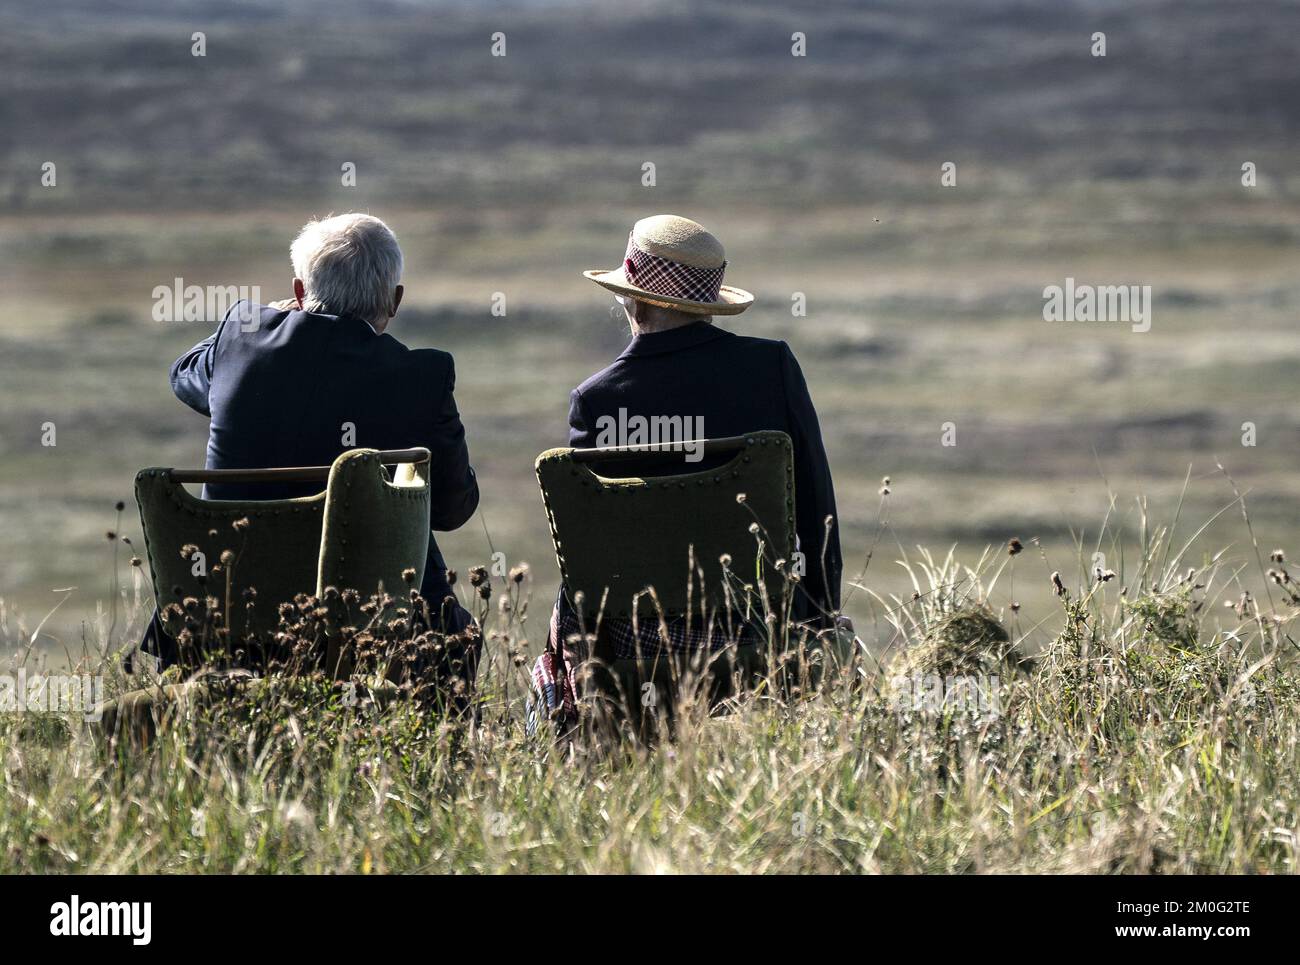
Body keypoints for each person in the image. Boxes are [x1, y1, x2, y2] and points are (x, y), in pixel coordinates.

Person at [529, 214, 842, 731]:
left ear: (632, 297)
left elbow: (592, 545)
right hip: (757, 628)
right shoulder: (772, 369)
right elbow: (814, 506)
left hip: (636, 639)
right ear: (706, 304)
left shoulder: (598, 400)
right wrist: (818, 622)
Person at [141, 213, 479, 668]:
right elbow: (452, 510)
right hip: (368, 618)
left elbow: (184, 372)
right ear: (395, 300)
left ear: (299, 292)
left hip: (226, 608)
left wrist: (263, 321)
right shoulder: (422, 377)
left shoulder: (241, 341)